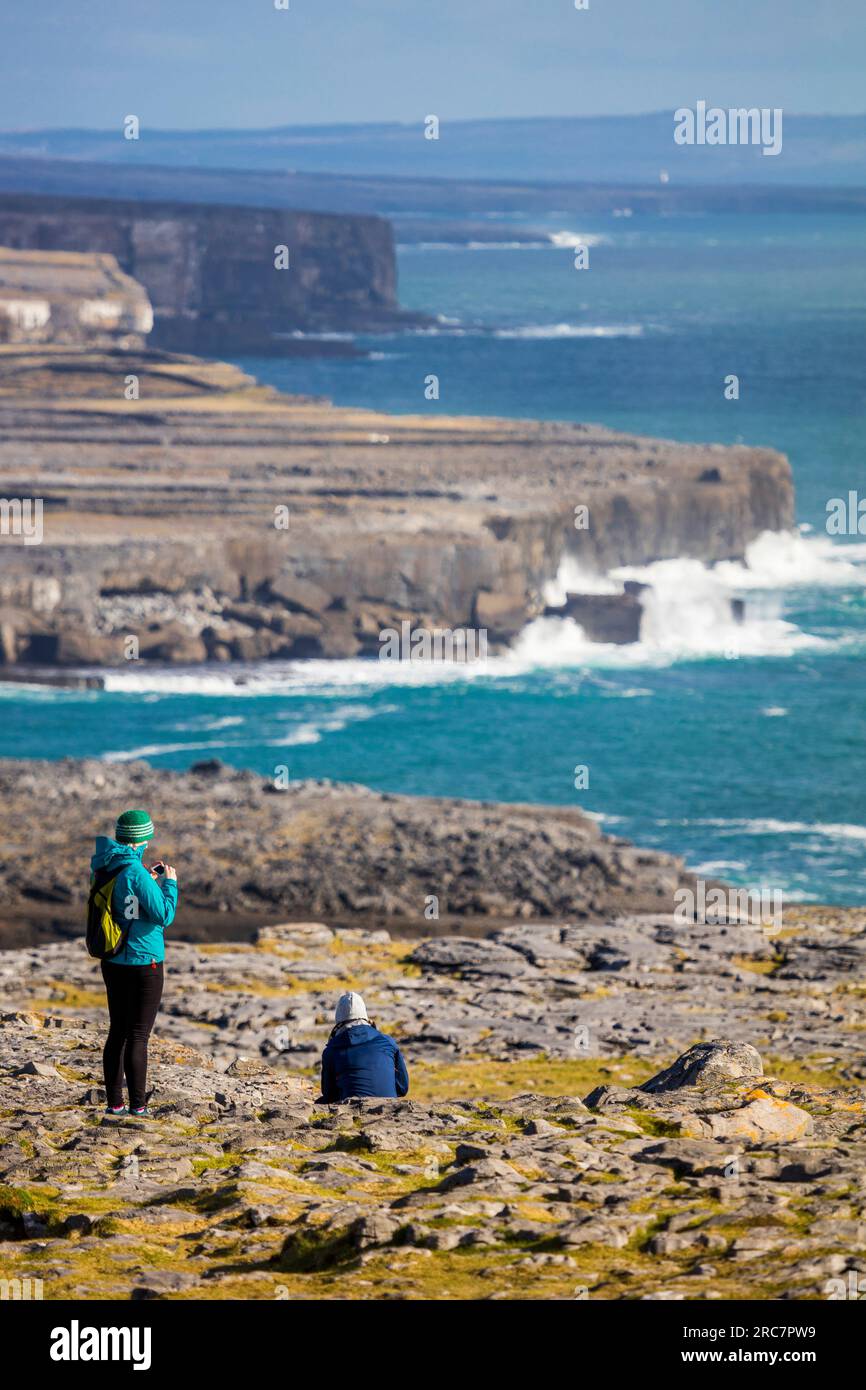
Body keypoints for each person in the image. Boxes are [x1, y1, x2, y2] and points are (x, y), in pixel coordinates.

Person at [91, 809, 177, 1117]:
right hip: (145, 962)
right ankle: (138, 1107)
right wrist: (169, 884)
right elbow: (164, 915)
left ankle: (114, 1103)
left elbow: (124, 903)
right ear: (140, 839)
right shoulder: (136, 872)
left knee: (118, 1031)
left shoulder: (104, 867)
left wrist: (148, 881)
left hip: (113, 960)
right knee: (138, 1035)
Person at [320, 991, 409, 1102]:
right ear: (365, 1016)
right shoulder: (388, 1042)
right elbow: (402, 1088)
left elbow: (329, 1094)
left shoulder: (331, 1051)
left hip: (351, 1111)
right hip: (389, 1108)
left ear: (338, 1019)